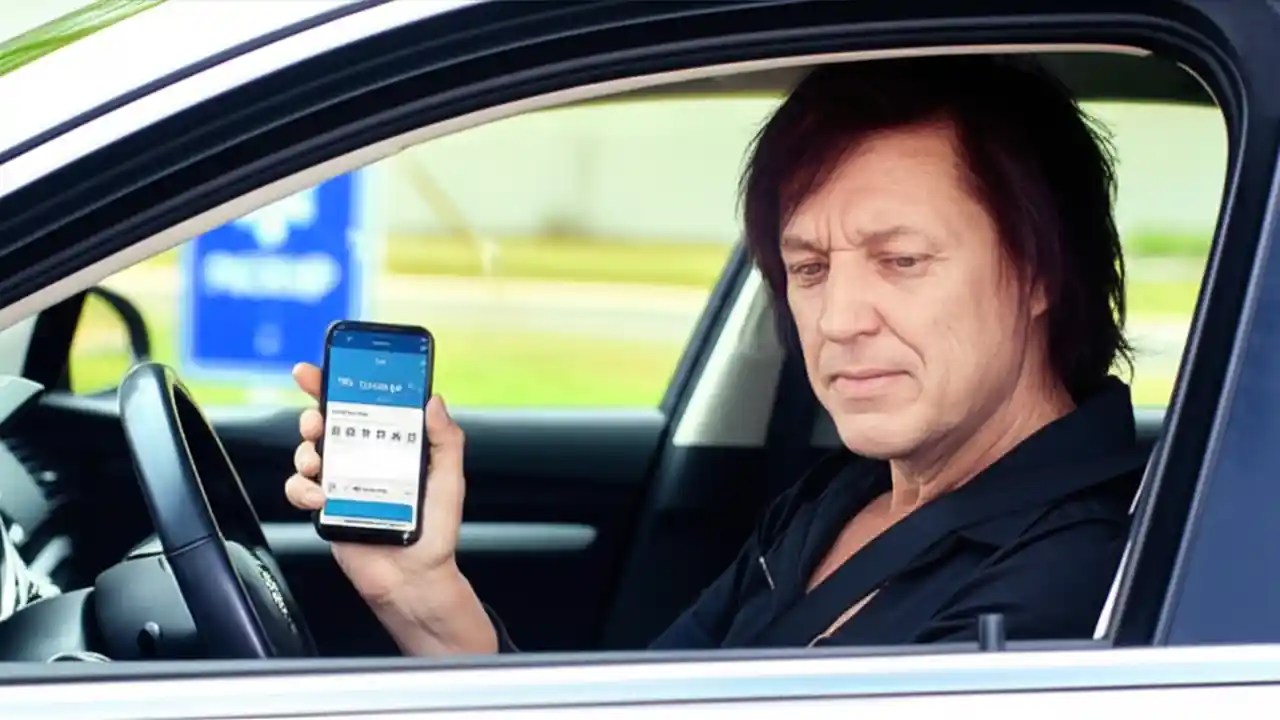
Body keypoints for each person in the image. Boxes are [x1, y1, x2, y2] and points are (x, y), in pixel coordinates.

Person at [285, 55, 1144, 653]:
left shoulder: (1071, 579)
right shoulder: (836, 502)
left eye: (902, 261)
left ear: (1039, 272)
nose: (838, 317)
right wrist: (418, 590)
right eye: (808, 269)